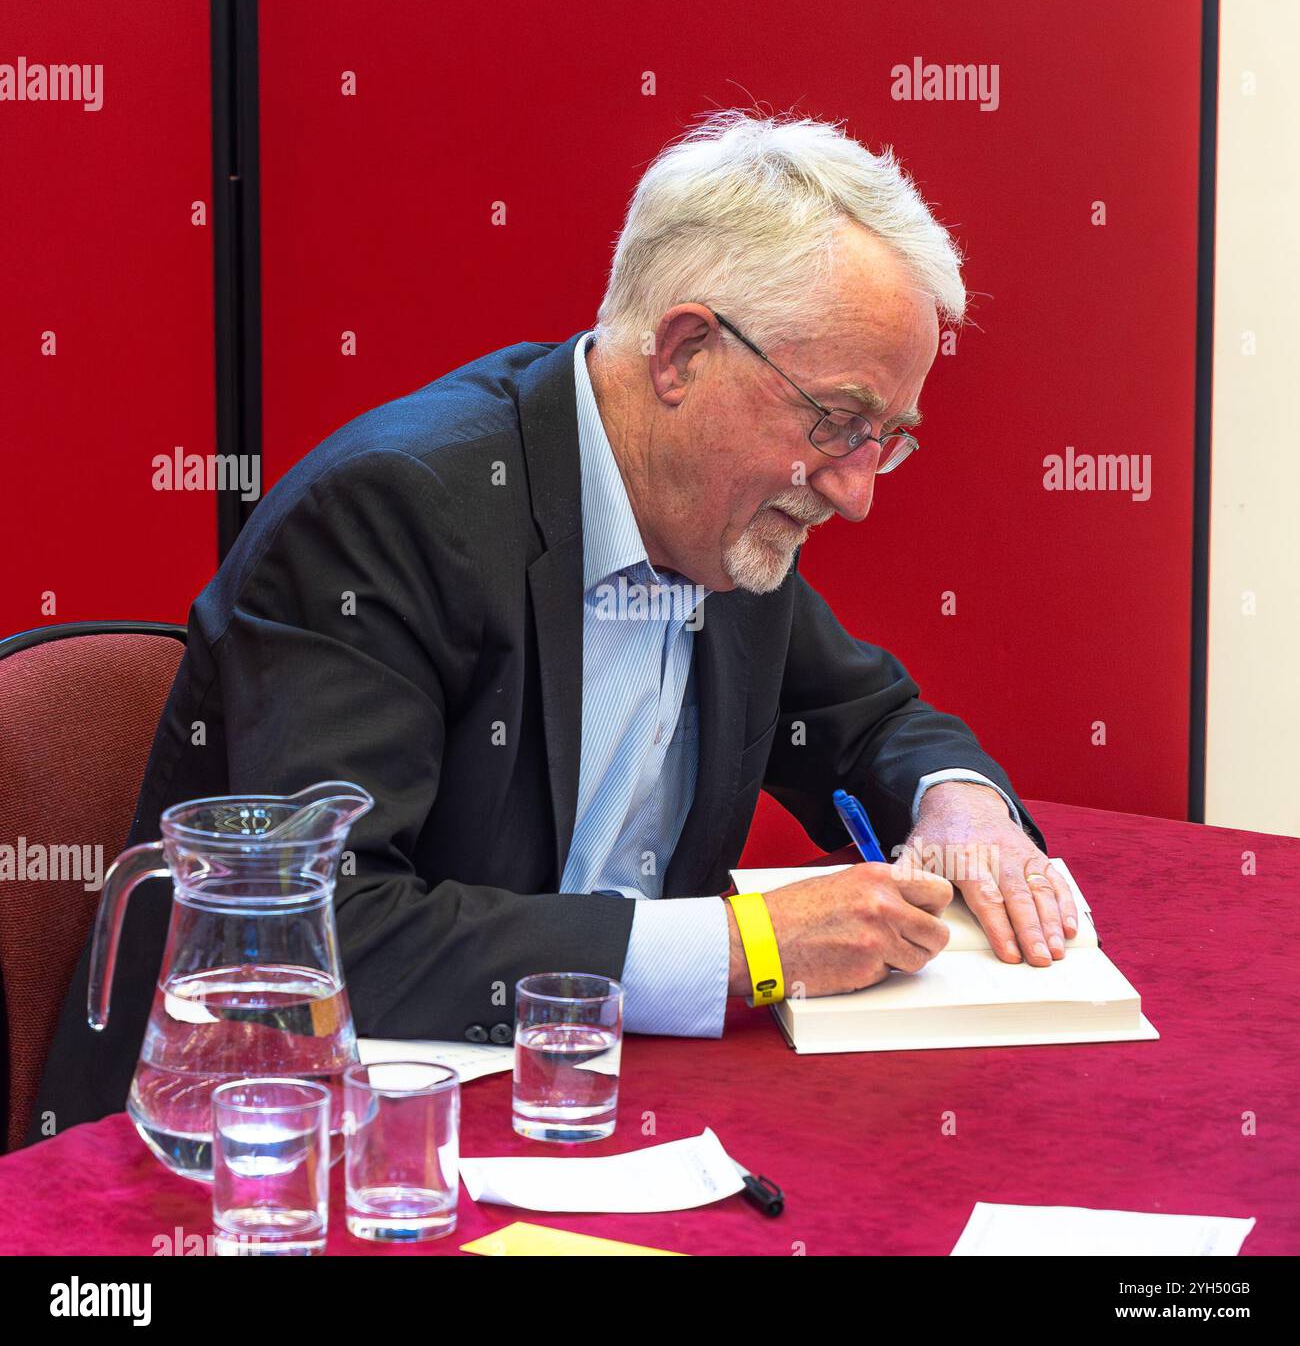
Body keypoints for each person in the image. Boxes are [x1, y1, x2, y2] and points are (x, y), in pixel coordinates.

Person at [31, 110, 1075, 1139]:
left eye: (887, 439)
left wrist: (958, 804)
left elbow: (867, 718)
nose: (855, 493)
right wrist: (748, 943)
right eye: (837, 423)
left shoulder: (727, 527)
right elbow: (332, 932)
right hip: (261, 1144)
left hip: (584, 1122)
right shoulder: (396, 514)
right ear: (683, 354)